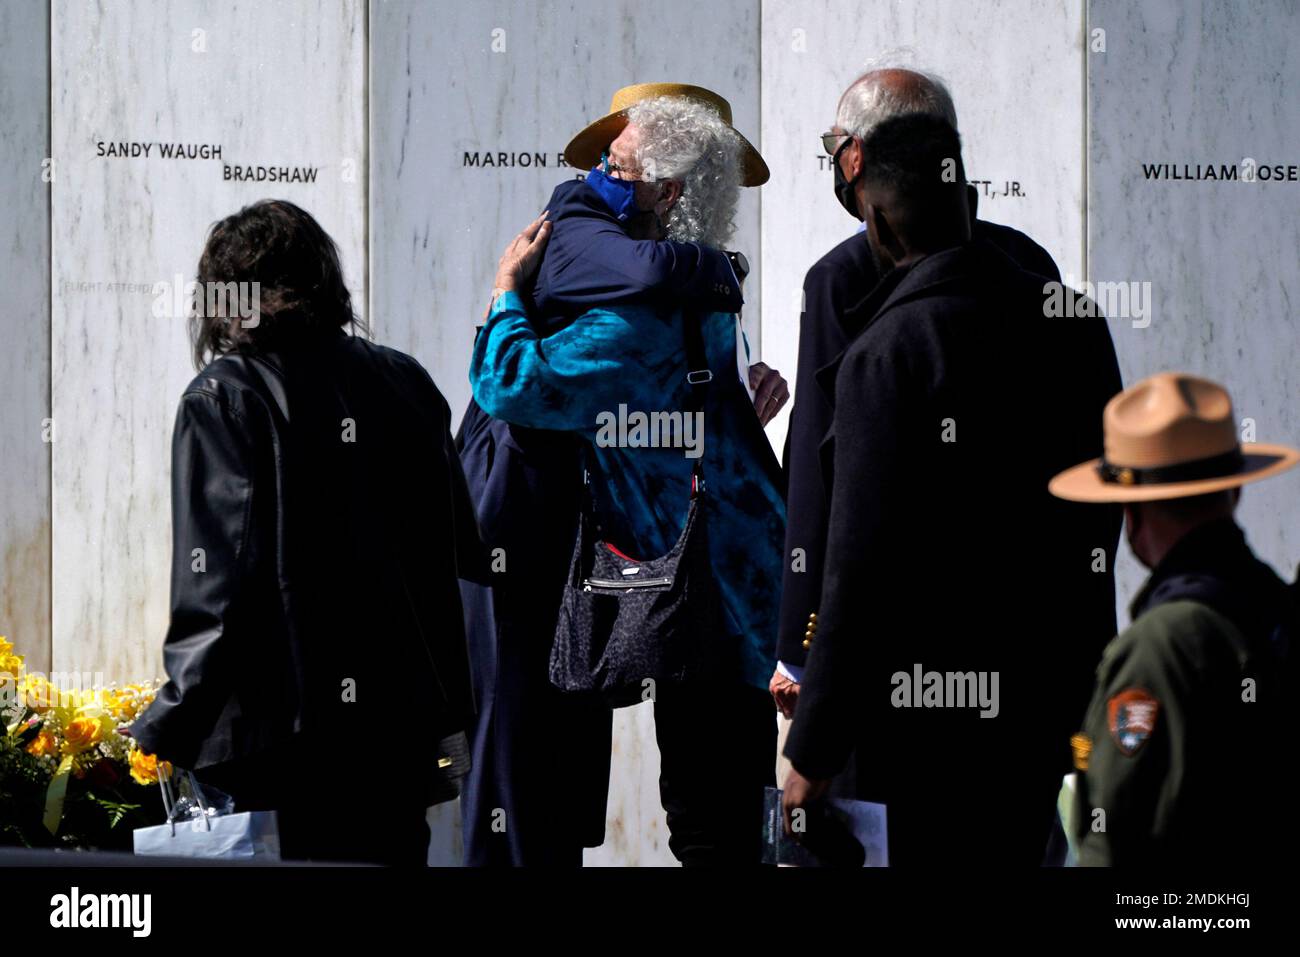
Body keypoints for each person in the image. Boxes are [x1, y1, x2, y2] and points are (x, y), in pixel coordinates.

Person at [781, 113, 1123, 865]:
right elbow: (1100, 524)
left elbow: (857, 570)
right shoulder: (1076, 326)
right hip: (1048, 713)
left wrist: (812, 750)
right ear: (965, 196)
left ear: (873, 218)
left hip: (921, 738)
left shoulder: (885, 354)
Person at [459, 83, 785, 867]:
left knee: (708, 822)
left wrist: (506, 294)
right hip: (737, 573)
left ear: (666, 190)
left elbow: (516, 386)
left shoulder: (628, 315)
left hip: (691, 578)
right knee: (729, 808)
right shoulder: (702, 295)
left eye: (617, 161)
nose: (597, 175)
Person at [130, 200, 481, 866]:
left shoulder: (225, 395)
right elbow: (458, 554)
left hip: (276, 752)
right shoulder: (406, 381)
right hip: (397, 749)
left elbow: (218, 589)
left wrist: (168, 719)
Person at [772, 66, 1063, 721]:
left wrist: (799, 646)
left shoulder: (839, 281)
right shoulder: (1031, 264)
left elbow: (823, 476)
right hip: (1021, 625)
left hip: (894, 638)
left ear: (857, 159)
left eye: (832, 148)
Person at [1049, 372, 1299, 867]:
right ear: (1234, 492)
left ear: (1132, 512)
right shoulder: (1275, 606)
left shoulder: (1161, 646)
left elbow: (1113, 841)